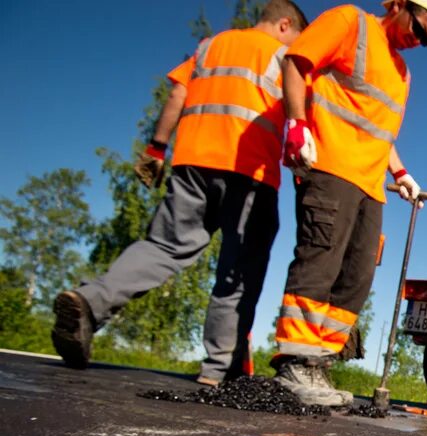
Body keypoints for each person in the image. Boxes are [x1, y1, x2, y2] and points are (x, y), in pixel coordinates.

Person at [51, 1, 309, 385]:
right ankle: (219, 369)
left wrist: (156, 148)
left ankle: (91, 302)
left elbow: (177, 95)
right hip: (250, 171)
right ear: (285, 25)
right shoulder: (285, 58)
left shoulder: (210, 46)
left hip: (191, 163)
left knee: (163, 247)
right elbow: (299, 111)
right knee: (239, 270)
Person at [270, 0, 427, 406]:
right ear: (398, 5)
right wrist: (296, 122)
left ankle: (318, 363)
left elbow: (381, 133)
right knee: (320, 261)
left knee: (357, 277)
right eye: (418, 28)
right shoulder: (352, 23)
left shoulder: (402, 73)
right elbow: (296, 62)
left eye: (426, 39)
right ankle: (294, 361)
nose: (417, 40)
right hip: (330, 166)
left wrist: (401, 173)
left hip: (371, 186)